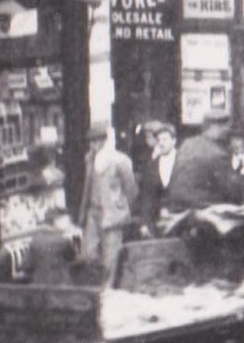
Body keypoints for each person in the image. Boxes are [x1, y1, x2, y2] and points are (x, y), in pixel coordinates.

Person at [77, 123, 138, 283]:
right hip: (93, 212)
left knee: (111, 257)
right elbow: (87, 187)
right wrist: (83, 213)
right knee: (88, 253)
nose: (93, 145)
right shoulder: (89, 159)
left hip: (112, 214)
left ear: (104, 141)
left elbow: (131, 189)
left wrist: (123, 209)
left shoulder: (120, 160)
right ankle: (95, 286)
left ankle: (108, 289)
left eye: (96, 141)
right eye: (91, 141)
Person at [166, 109, 244, 208]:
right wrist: (239, 172)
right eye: (225, 127)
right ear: (216, 127)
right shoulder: (218, 153)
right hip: (204, 208)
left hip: (177, 208)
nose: (227, 131)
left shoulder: (186, 144)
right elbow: (233, 193)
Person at [137, 122, 179, 230]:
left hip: (180, 218)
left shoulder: (183, 160)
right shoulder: (153, 164)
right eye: (159, 140)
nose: (161, 143)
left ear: (174, 141)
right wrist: (145, 223)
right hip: (159, 221)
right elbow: (148, 195)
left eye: (165, 139)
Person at [25, 207, 79, 286]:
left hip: (39, 285)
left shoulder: (35, 240)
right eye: (67, 221)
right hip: (60, 286)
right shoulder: (64, 241)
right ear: (57, 221)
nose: (69, 224)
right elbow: (74, 259)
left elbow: (27, 265)